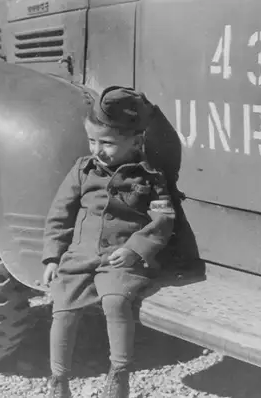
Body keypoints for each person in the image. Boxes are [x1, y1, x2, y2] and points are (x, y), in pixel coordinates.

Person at [41, 86, 176, 398]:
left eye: (108, 143)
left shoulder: (150, 176)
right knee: (62, 307)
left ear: (136, 141)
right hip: (80, 255)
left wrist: (133, 250)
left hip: (121, 259)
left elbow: (162, 221)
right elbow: (59, 215)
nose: (97, 150)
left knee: (116, 301)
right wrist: (52, 257)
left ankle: (119, 375)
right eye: (92, 141)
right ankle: (58, 381)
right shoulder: (82, 170)